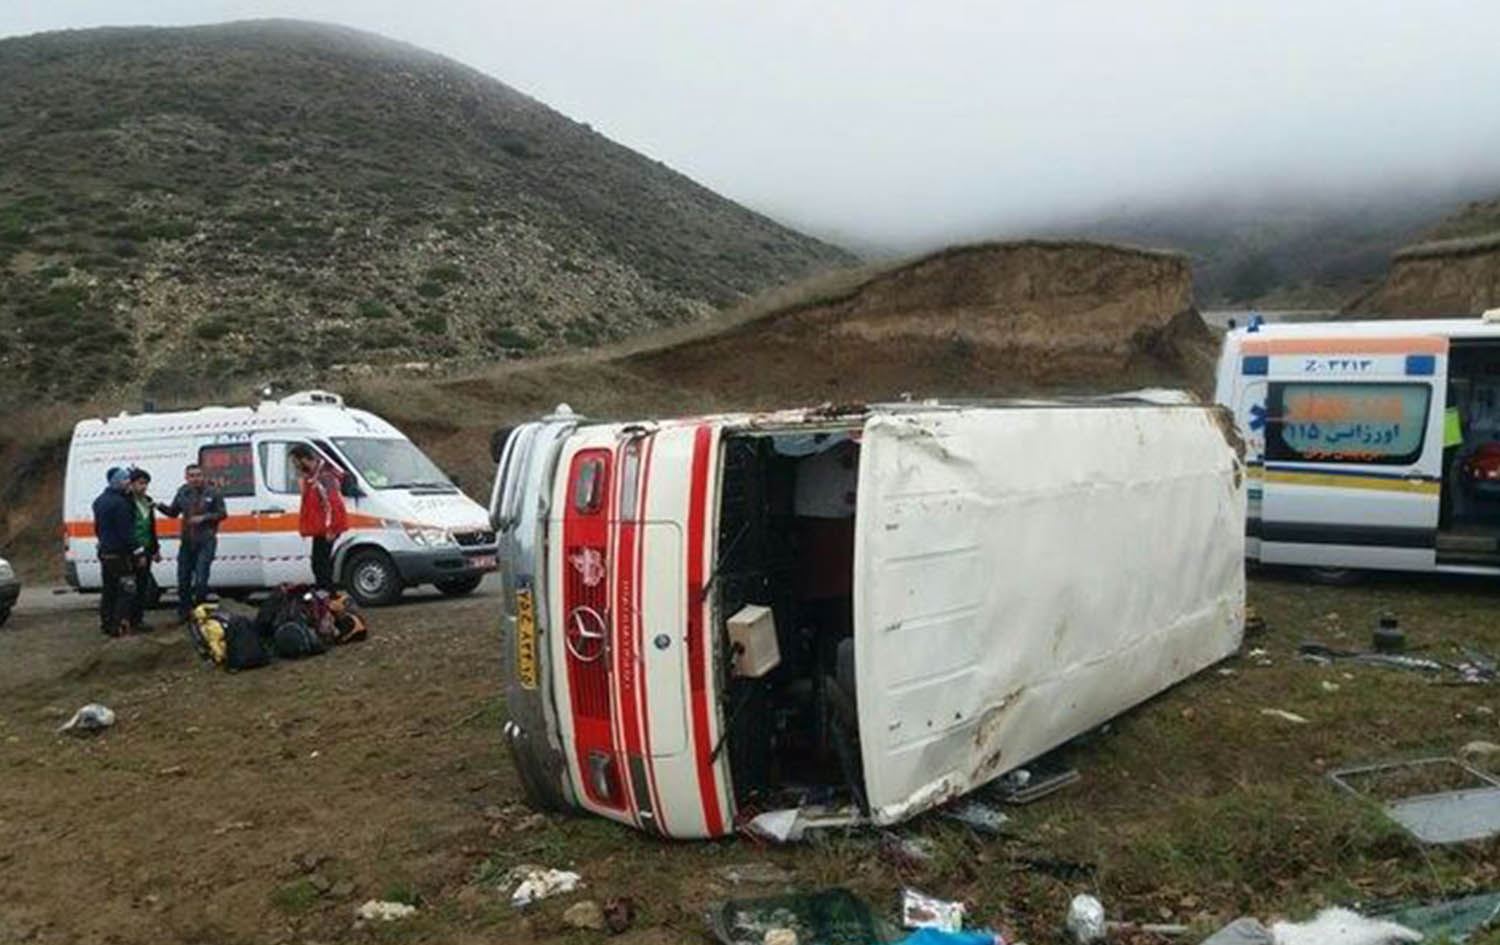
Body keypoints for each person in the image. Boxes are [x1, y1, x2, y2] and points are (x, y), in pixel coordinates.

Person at [157, 463, 227, 622]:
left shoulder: (213, 492)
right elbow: (173, 512)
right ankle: (184, 612)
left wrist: (205, 518)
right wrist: (159, 506)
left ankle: (200, 611)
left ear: (203, 476)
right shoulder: (183, 492)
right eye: (192, 476)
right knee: (183, 578)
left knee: (201, 578)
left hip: (206, 541)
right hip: (187, 541)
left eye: (198, 475)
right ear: (186, 478)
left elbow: (222, 514)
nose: (196, 479)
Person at [290, 445, 348, 591]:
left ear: (304, 459)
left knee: (320, 564)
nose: (295, 467)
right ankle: (326, 592)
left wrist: (330, 529)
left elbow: (332, 504)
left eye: (296, 462)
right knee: (319, 563)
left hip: (328, 528)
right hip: (322, 528)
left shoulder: (324, 477)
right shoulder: (313, 476)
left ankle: (328, 594)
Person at [91, 467, 138, 637]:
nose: (129, 484)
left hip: (105, 551)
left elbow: (98, 528)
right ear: (117, 481)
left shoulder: (99, 501)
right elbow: (126, 531)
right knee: (126, 588)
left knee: (109, 589)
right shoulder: (121, 503)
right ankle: (118, 625)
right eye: (126, 480)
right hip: (120, 553)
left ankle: (107, 622)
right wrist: (137, 550)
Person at [126, 468, 161, 631]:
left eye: (146, 483)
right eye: (140, 483)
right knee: (131, 587)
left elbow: (151, 526)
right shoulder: (126, 502)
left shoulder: (147, 501)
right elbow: (128, 529)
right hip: (132, 549)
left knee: (143, 585)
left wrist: (155, 549)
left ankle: (138, 619)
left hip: (147, 547)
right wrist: (137, 551)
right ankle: (129, 619)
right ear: (132, 484)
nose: (144, 487)